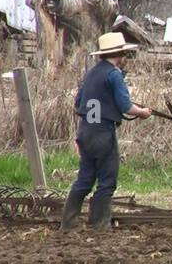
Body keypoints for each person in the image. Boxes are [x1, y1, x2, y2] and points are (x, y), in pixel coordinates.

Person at [60, 32, 152, 230]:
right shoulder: (114, 75)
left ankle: (68, 222)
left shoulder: (91, 73)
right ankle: (99, 224)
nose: (125, 58)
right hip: (103, 133)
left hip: (85, 132)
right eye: (124, 54)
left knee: (84, 179)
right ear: (118, 53)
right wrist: (143, 112)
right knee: (107, 181)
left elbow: (78, 104)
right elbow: (127, 107)